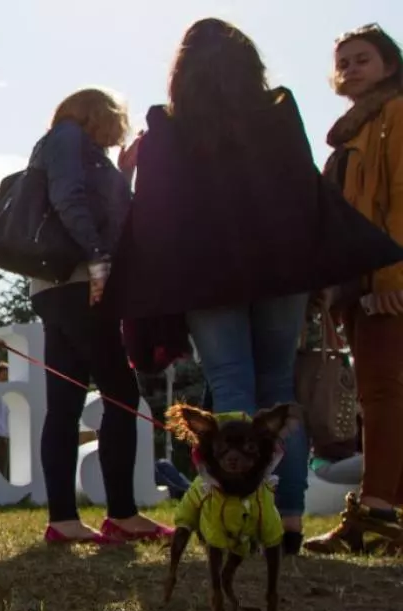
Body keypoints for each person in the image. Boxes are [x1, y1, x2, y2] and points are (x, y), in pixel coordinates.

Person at [107, 18, 403, 556]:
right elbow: (305, 193)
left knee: (232, 385)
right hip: (281, 272)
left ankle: (238, 518)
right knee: (278, 389)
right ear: (251, 67)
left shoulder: (168, 127)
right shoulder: (279, 112)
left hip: (207, 275)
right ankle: (287, 518)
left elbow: (155, 215)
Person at [27, 88, 174, 546]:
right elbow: (70, 198)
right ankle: (122, 514)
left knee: (66, 402)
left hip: (56, 285)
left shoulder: (66, 143)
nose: (119, 133)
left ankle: (64, 521)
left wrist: (124, 172)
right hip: (79, 283)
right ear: (101, 113)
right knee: (121, 393)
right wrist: (97, 260)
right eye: (118, 121)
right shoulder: (68, 137)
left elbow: (104, 207)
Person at [305, 24, 403, 554]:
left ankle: (377, 513)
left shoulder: (396, 114)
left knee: (384, 395)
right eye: (342, 62)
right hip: (355, 287)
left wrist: (390, 279)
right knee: (379, 398)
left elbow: (401, 199)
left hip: (384, 283)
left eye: (362, 59)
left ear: (390, 65)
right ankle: (390, 516)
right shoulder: (352, 130)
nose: (350, 69)